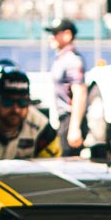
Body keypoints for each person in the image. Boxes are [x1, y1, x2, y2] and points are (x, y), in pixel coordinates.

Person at [46, 19, 88, 152]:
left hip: (70, 120)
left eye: (55, 33)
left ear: (67, 35)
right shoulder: (62, 58)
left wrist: (74, 127)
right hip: (64, 120)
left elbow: (79, 92)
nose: (51, 37)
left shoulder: (72, 60)